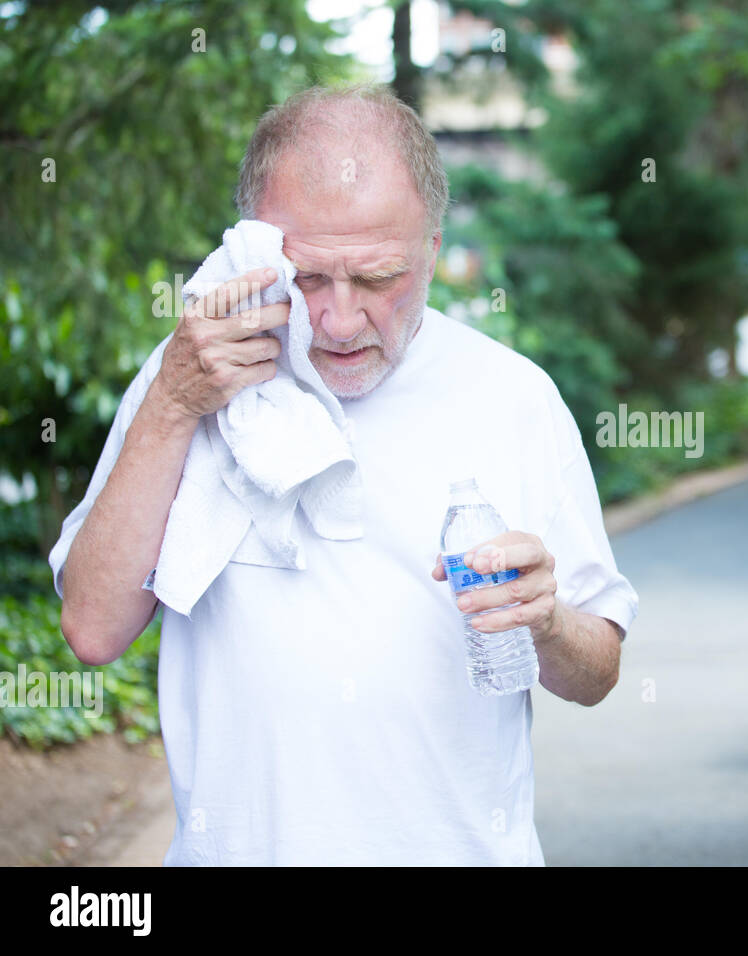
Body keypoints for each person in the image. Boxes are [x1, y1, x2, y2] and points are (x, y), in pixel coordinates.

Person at [47, 83, 638, 866]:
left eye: (377, 278)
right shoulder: (192, 375)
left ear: (431, 248)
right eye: (308, 278)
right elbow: (92, 628)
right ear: (254, 250)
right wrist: (174, 402)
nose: (338, 320)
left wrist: (548, 619)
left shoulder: (513, 397)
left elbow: (596, 672)